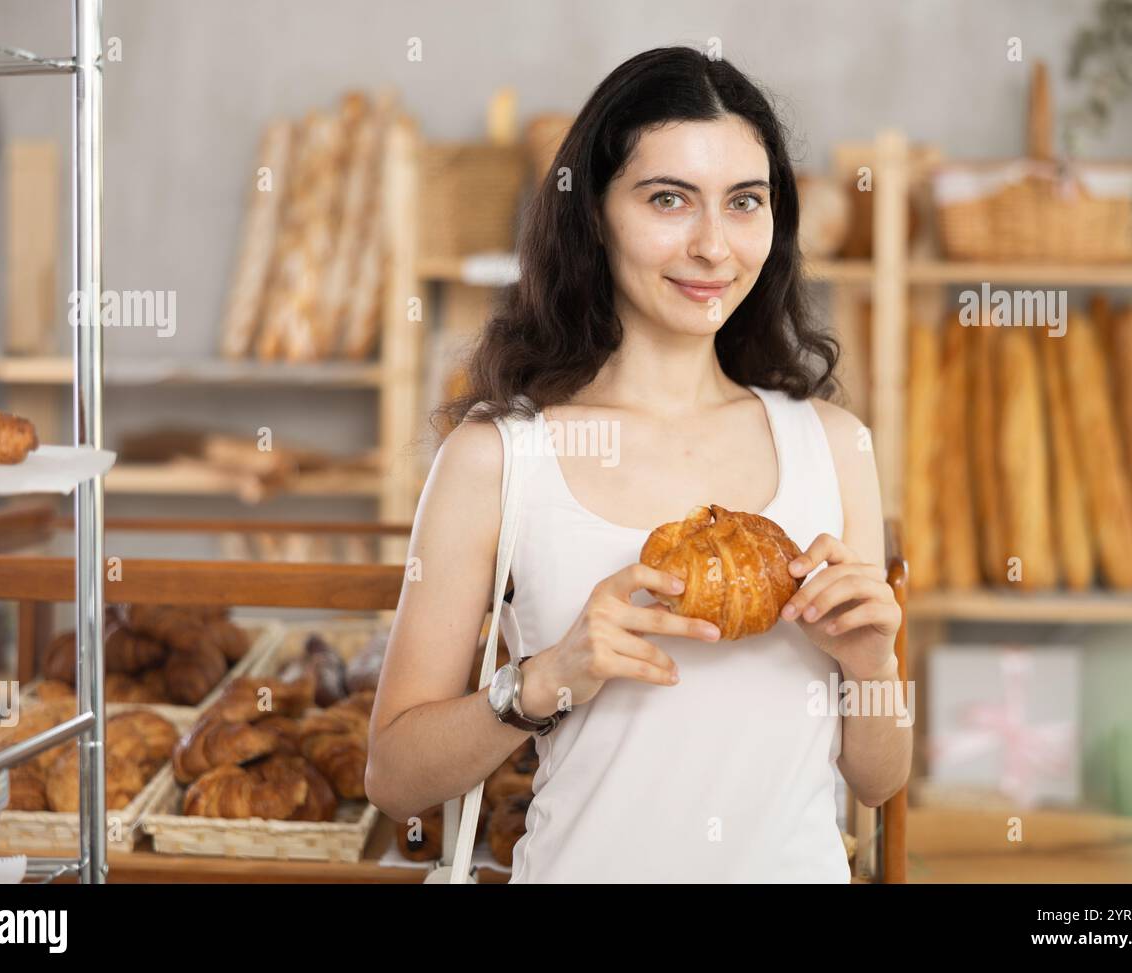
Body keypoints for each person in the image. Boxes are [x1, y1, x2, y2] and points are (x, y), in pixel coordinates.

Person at [365, 45, 911, 883]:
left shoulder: (834, 444)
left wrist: (873, 663)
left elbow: (878, 779)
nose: (713, 246)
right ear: (591, 215)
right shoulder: (497, 458)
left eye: (745, 203)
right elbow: (394, 777)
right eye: (668, 200)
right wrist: (546, 679)